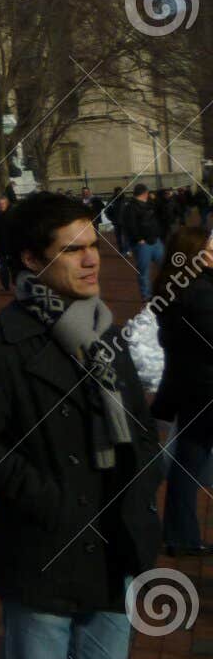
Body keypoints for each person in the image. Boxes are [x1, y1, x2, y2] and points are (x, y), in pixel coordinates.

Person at [0, 191, 162, 659]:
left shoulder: (104, 329)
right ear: (33, 261)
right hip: (44, 549)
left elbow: (136, 422)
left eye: (94, 245)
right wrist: (46, 497)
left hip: (116, 544)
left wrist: (145, 478)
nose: (92, 259)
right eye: (73, 250)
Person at [151, 225, 213, 556]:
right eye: (211, 249)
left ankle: (181, 535)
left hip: (192, 389)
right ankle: (180, 534)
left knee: (187, 463)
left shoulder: (179, 289)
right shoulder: (200, 293)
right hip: (205, 390)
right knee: (188, 462)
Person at [120, 183, 166, 303]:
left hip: (155, 240)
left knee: (164, 267)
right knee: (144, 271)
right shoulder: (130, 207)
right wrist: (138, 238)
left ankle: (164, 291)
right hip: (143, 243)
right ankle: (146, 297)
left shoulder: (149, 203)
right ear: (145, 193)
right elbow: (130, 225)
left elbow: (161, 209)